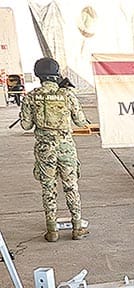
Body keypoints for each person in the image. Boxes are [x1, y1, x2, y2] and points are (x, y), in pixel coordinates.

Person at [20, 57, 90, 242]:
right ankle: (77, 227)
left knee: (48, 188)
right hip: (66, 148)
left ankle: (52, 230)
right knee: (71, 186)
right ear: (56, 74)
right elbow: (81, 122)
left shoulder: (31, 97)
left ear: (38, 75)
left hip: (45, 150)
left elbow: (26, 126)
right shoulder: (67, 95)